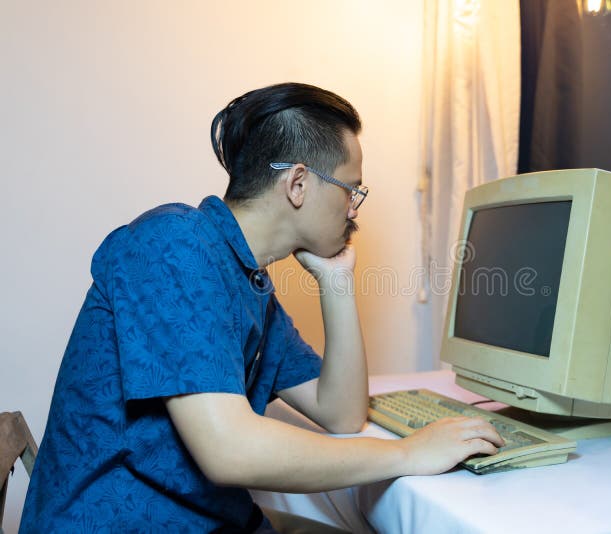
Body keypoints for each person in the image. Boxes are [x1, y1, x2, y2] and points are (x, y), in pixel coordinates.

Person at [20, 82, 503, 532]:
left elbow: (341, 412)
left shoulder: (247, 282)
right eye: (351, 189)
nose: (355, 209)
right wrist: (407, 455)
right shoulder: (173, 245)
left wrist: (335, 282)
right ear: (298, 184)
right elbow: (228, 450)